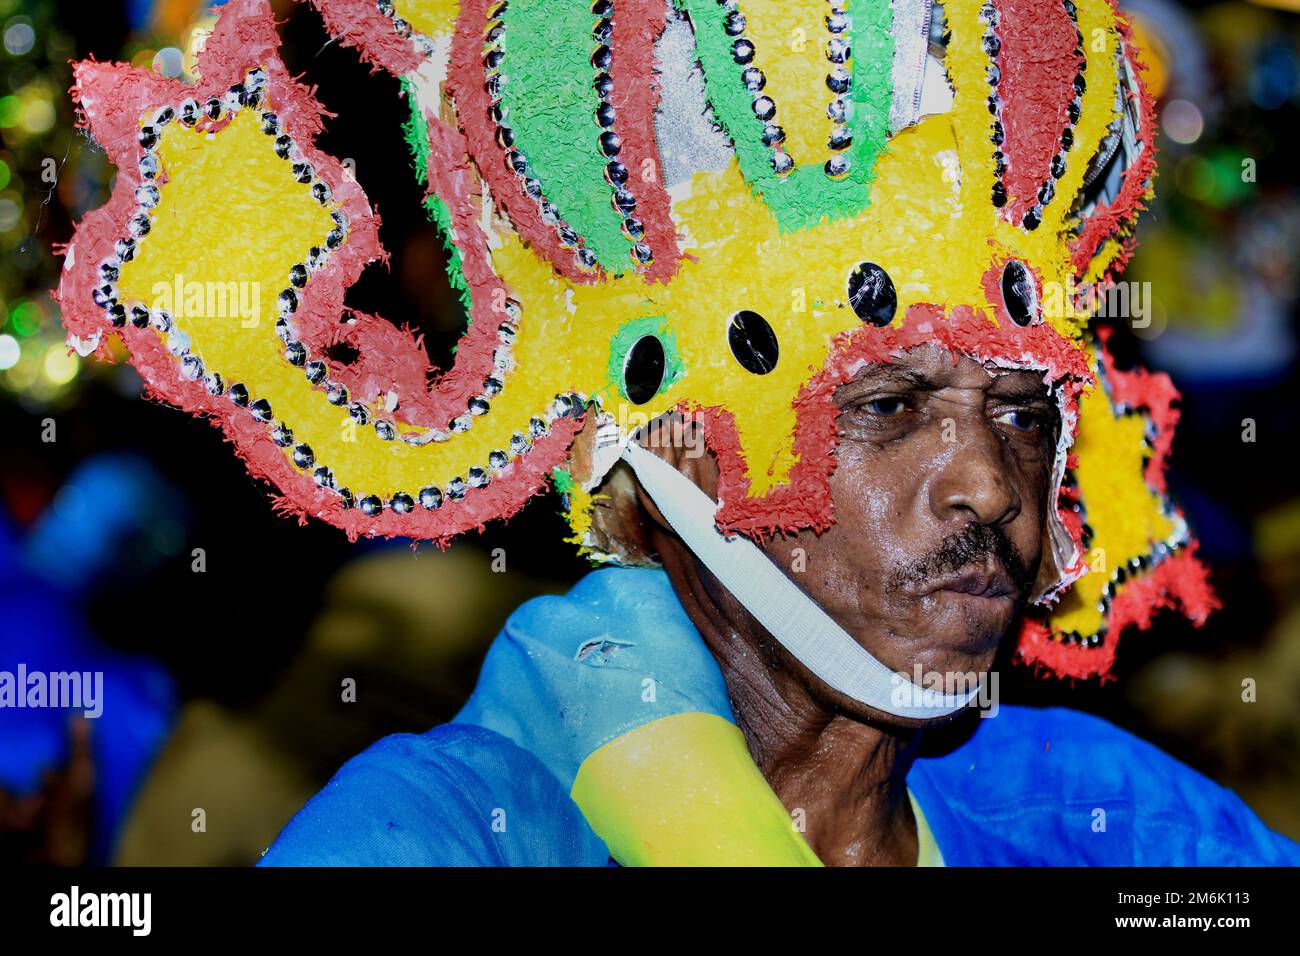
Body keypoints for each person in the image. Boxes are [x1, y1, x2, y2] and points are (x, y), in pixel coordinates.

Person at [56, 0, 1299, 864]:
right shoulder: (440, 832)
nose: (988, 481)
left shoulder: (1106, 815)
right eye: (883, 405)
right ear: (659, 471)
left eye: (1022, 411)